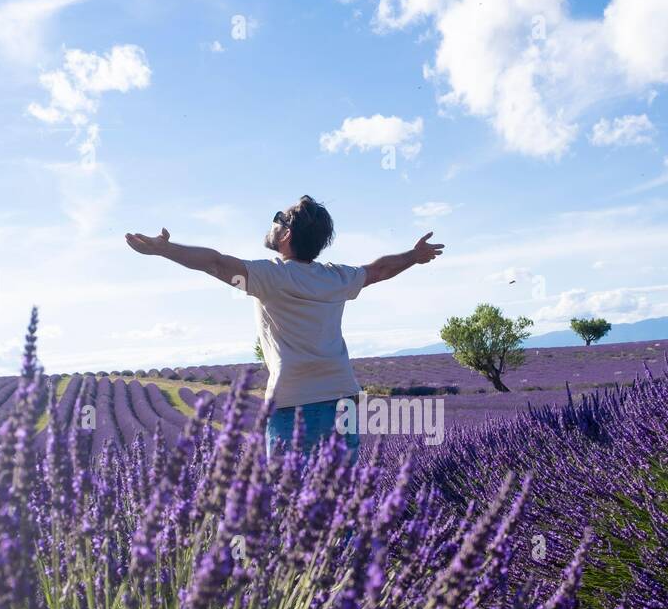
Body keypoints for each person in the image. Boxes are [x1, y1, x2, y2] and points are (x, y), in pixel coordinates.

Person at [125, 195, 444, 461]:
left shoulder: (271, 277)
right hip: (341, 399)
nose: (273, 223)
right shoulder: (336, 278)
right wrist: (414, 256)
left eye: (279, 218)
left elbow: (216, 263)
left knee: (291, 503)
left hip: (293, 404)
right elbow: (380, 270)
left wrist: (164, 249)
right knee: (342, 502)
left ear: (287, 234)